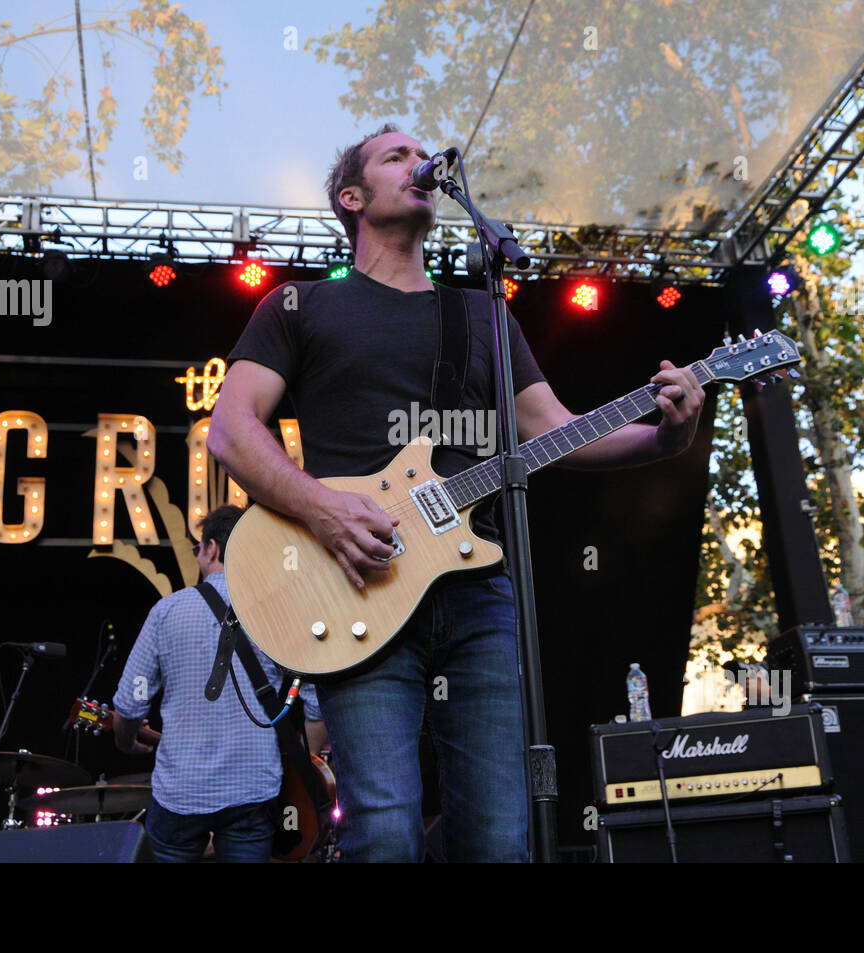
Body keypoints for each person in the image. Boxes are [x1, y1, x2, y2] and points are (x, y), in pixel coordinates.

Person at [207, 124, 703, 862]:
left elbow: (560, 433)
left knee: (501, 836)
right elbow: (230, 429)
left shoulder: (481, 315)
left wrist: (668, 437)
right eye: (396, 156)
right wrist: (324, 509)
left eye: (422, 153)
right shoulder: (302, 307)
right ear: (353, 196)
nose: (420, 162)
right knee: (386, 829)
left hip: (477, 592)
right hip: (355, 583)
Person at [111, 504, 328, 863]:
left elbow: (130, 705)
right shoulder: (280, 610)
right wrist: (297, 764)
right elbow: (318, 705)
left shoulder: (166, 612)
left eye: (198, 547)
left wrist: (125, 742)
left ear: (211, 547)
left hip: (180, 794)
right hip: (255, 790)